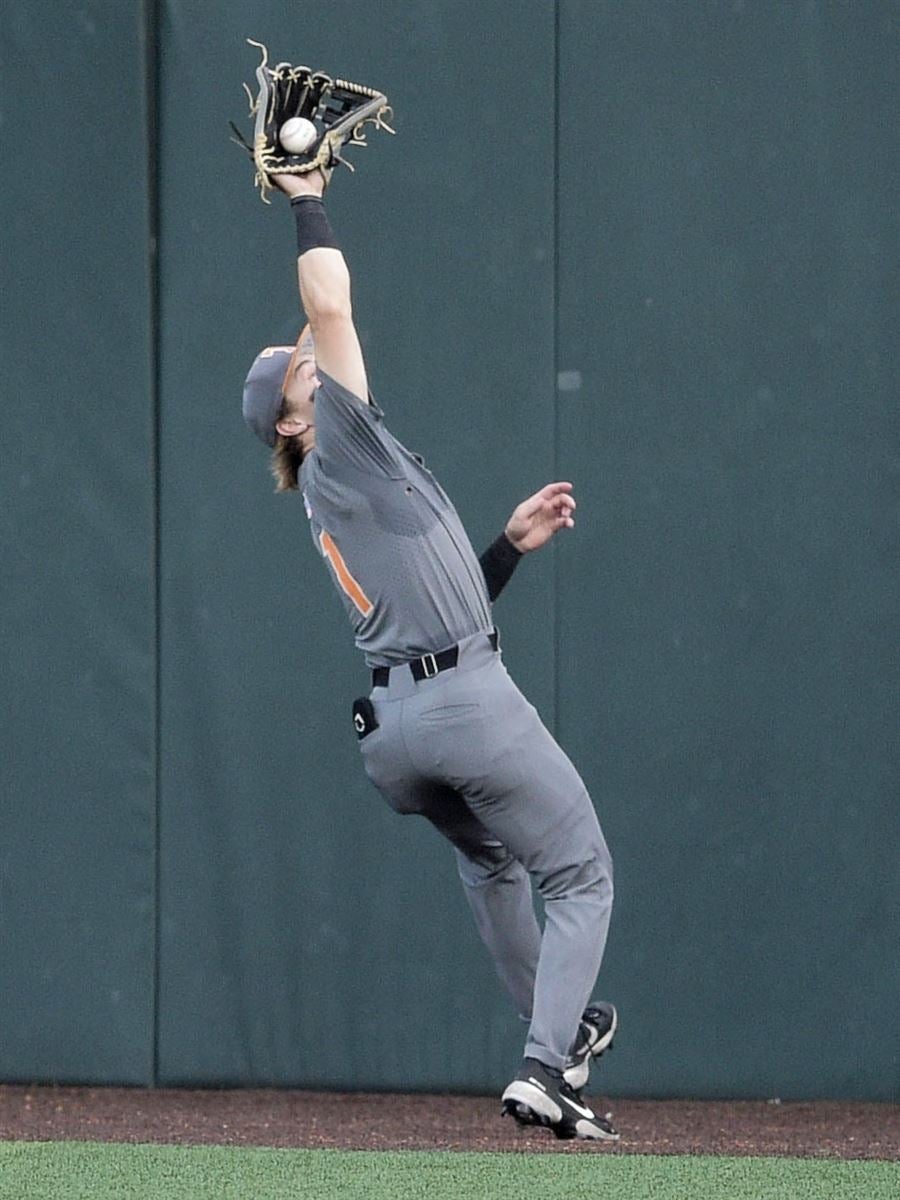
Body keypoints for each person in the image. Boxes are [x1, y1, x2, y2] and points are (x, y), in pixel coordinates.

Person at [242, 163, 618, 1141]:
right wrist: (307, 191)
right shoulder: (342, 443)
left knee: (493, 862)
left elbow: (429, 611)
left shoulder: (344, 479)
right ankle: (548, 1063)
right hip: (459, 705)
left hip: (401, 728)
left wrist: (503, 550)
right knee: (580, 873)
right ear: (289, 422)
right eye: (296, 372)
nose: (313, 362)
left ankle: (562, 1036)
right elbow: (329, 295)